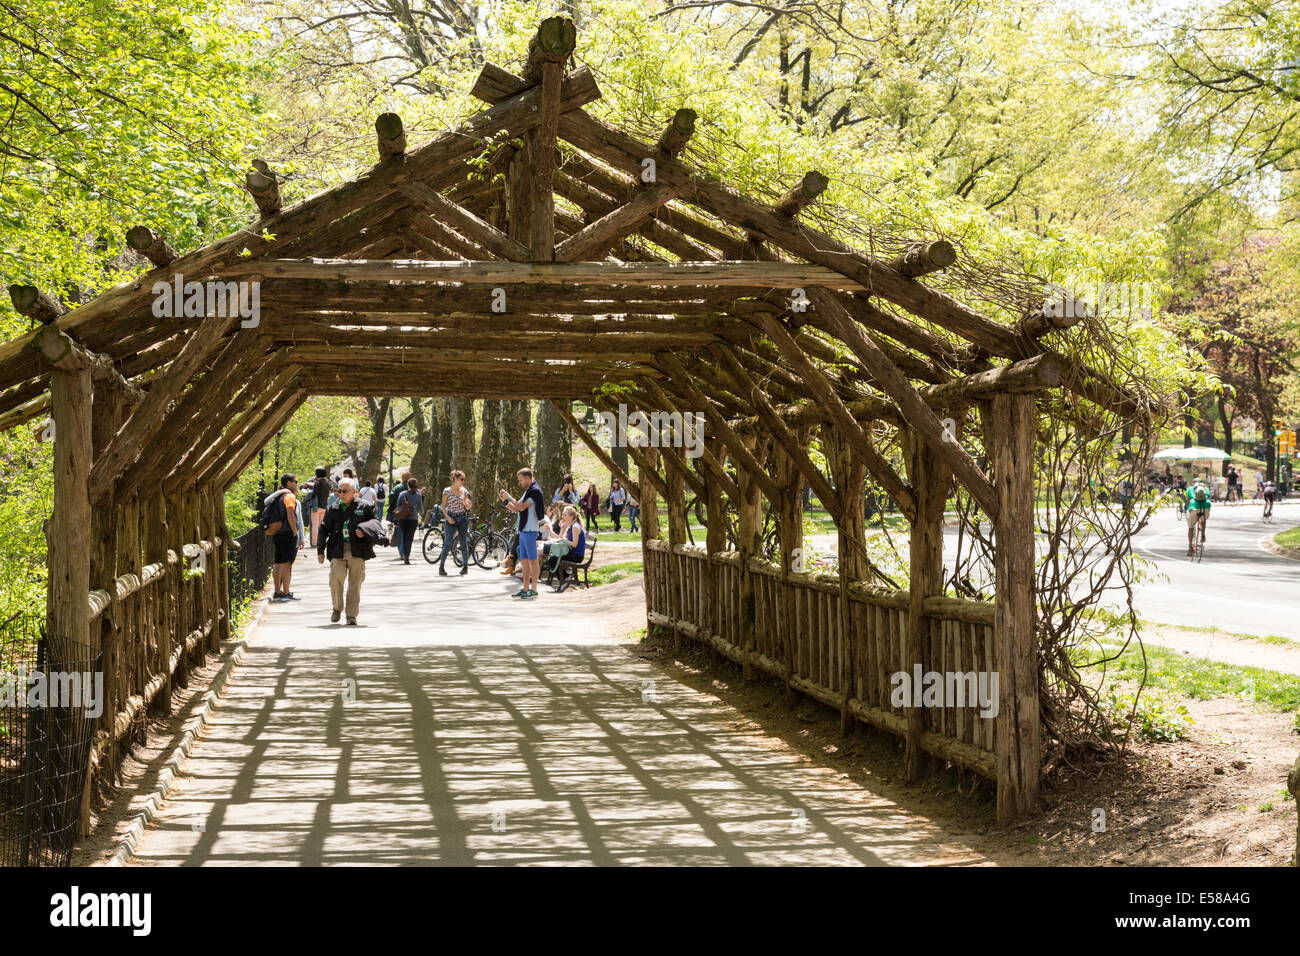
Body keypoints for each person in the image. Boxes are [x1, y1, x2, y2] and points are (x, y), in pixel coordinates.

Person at [316, 477, 376, 625]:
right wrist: (320, 551)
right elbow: (323, 530)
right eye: (338, 491)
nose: (341, 494)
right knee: (335, 579)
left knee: (355, 584)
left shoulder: (366, 507)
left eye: (344, 491)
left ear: (354, 491)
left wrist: (364, 532)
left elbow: (375, 525)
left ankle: (351, 616)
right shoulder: (334, 507)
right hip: (337, 549)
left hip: (357, 549)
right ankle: (337, 608)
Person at [500, 467, 545, 599]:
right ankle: (525, 589)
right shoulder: (528, 491)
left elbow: (521, 506)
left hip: (531, 530)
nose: (519, 483)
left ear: (527, 478)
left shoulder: (535, 491)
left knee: (533, 560)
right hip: (524, 530)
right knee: (524, 561)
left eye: (520, 480)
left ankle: (534, 589)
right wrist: (506, 501)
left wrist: (510, 496)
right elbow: (516, 508)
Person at [266, 474, 302, 602]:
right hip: (287, 532)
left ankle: (277, 592)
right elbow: (290, 512)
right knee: (287, 563)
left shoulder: (278, 496)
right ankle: (286, 592)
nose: (297, 484)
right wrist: (294, 531)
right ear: (288, 483)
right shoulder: (289, 496)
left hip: (277, 532)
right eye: (295, 482)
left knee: (278, 562)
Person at [439, 470, 472, 576]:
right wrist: (448, 518)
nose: (463, 481)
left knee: (463, 543)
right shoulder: (447, 491)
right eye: (462, 479)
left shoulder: (464, 491)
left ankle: (465, 567)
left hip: (462, 518)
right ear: (455, 479)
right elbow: (443, 506)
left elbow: (467, 507)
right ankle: (441, 567)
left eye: (464, 479)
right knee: (448, 543)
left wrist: (467, 504)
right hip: (451, 518)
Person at [548, 506, 587, 592]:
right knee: (551, 559)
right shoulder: (570, 526)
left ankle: (565, 579)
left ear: (571, 517)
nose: (562, 517)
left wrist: (565, 540)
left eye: (565, 515)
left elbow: (574, 544)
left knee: (552, 560)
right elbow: (561, 537)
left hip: (577, 555)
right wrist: (562, 528)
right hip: (572, 552)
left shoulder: (575, 527)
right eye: (563, 514)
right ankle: (565, 579)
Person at [394, 477, 423, 565]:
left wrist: (396, 517)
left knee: (404, 537)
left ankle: (404, 554)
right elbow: (420, 509)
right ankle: (407, 556)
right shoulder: (418, 495)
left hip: (403, 519)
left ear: (408, 485)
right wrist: (420, 514)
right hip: (413, 519)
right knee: (409, 538)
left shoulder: (402, 494)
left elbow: (397, 506)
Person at [1186, 478, 1211, 555]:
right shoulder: (1206, 488)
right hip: (1205, 507)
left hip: (1194, 507)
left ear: (1194, 483)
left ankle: (1190, 548)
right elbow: (1208, 496)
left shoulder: (1190, 489)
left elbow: (1187, 500)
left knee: (1190, 528)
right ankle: (1203, 535)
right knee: (1203, 520)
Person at [308, 467, 331, 546]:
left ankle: (314, 543)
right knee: (321, 526)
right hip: (324, 506)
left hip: (316, 506)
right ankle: (322, 541)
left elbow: (314, 494)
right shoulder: (327, 483)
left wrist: (309, 493)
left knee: (314, 525)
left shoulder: (318, 483)